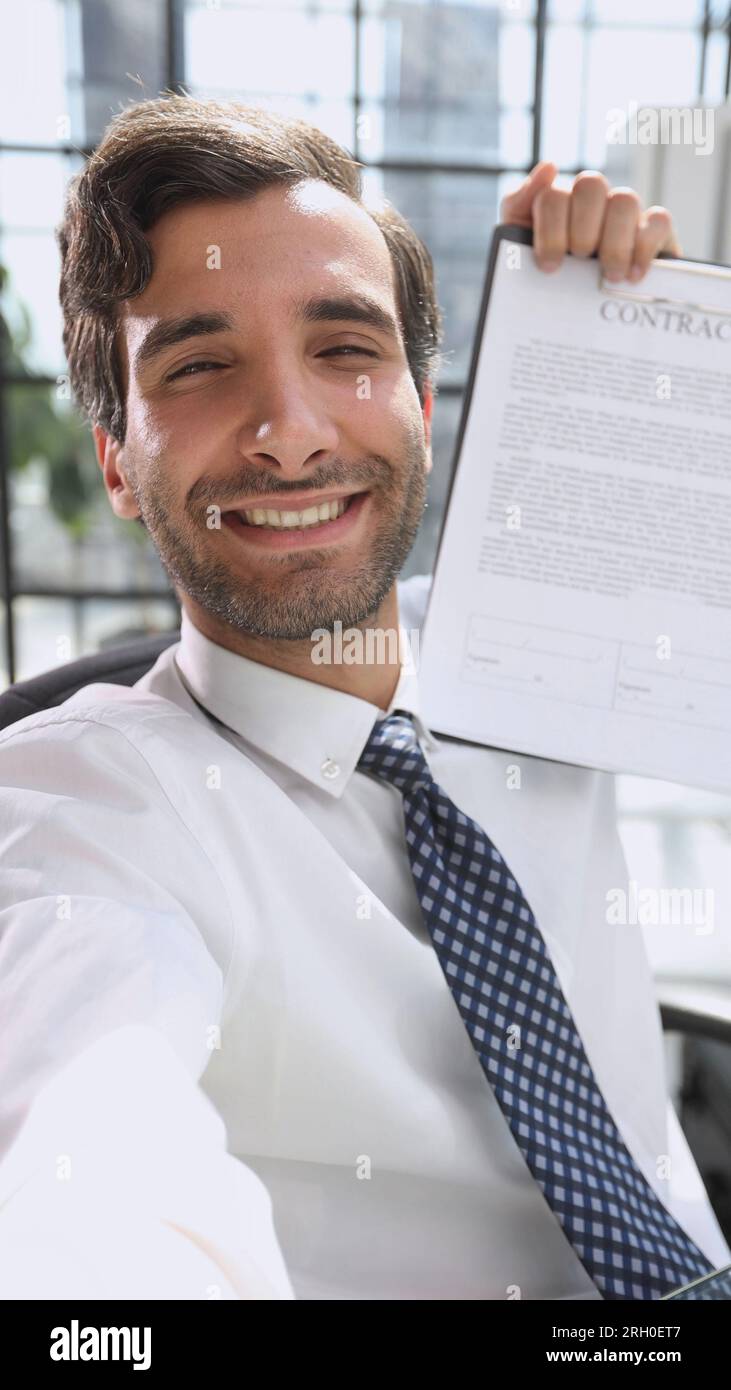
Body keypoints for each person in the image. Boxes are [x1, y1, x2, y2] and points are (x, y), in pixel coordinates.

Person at [0, 95, 727, 1302]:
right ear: (117, 460)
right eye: (199, 365)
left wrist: (629, 337)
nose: (290, 432)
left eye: (346, 349)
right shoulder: (84, 805)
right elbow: (87, 1156)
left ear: (423, 403)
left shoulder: (545, 628)